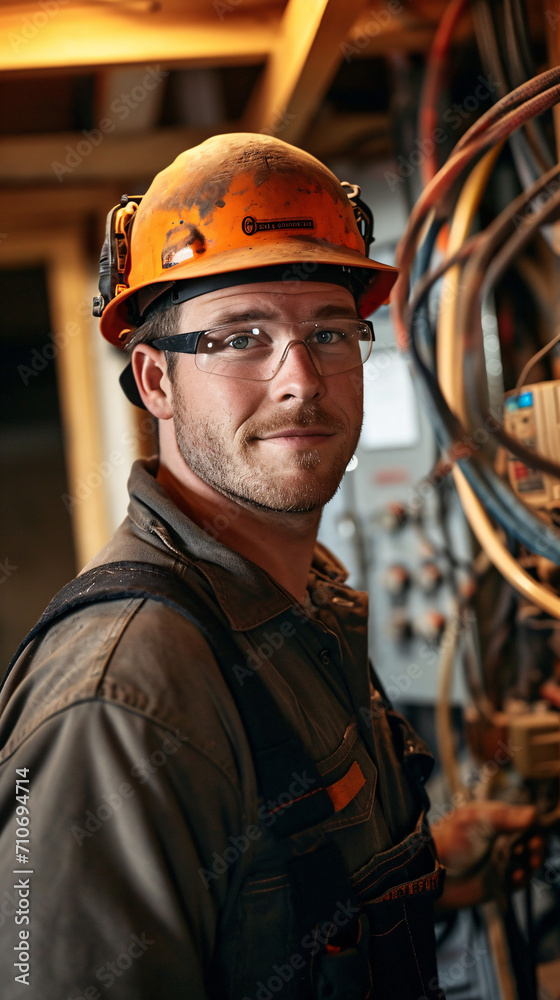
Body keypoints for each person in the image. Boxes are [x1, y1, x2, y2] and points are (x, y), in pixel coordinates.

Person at [0, 134, 540, 1000]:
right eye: (243, 337)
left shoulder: (304, 601)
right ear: (156, 380)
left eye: (328, 331)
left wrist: (438, 866)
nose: (301, 380)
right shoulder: (125, 697)